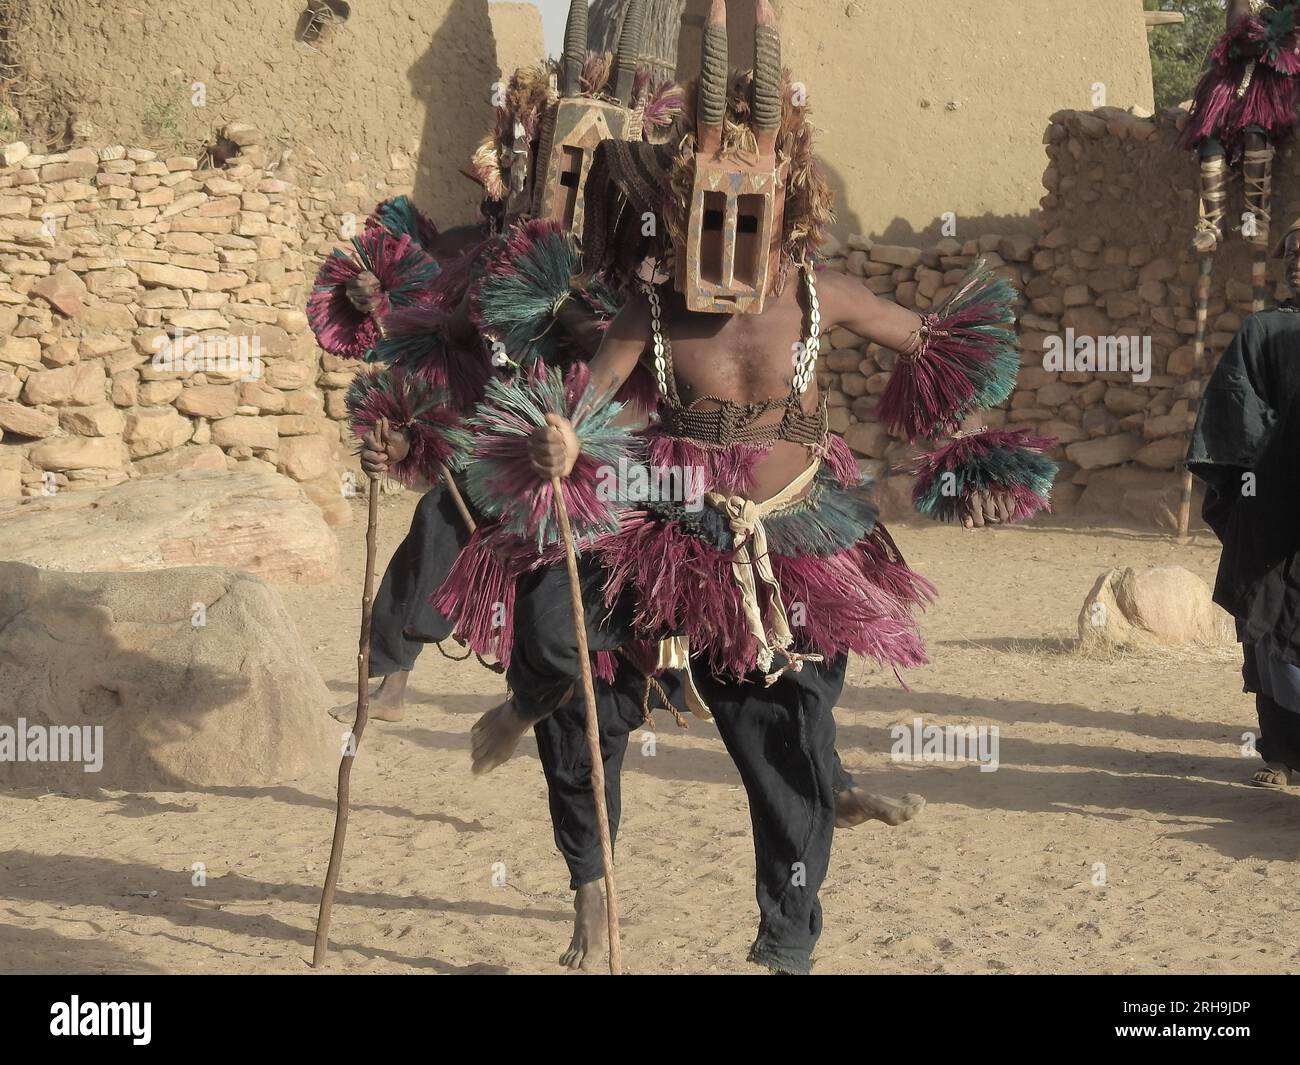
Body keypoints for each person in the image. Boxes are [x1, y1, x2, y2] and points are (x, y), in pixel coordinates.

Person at [456, 0, 1043, 974]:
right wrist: (560, 439)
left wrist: (968, 443)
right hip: (678, 519)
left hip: (800, 532)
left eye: (746, 210)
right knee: (564, 634)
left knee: (781, 736)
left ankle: (786, 937)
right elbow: (586, 405)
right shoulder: (651, 300)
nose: (723, 234)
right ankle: (550, 738)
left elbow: (936, 348)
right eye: (705, 212)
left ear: (781, 201)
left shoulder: (820, 291)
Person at [1187, 217, 1300, 789]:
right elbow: (1236, 409)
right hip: (1273, 503)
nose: (1298, 263)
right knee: (1272, 619)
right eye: (1292, 255)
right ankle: (1279, 753)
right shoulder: (1262, 330)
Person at [1181, 0, 1300, 255]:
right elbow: (1236, 31)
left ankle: (1254, 216)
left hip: (1278, 78)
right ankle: (1211, 223)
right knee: (1211, 131)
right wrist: (1262, 37)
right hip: (1236, 76)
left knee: (1257, 130)